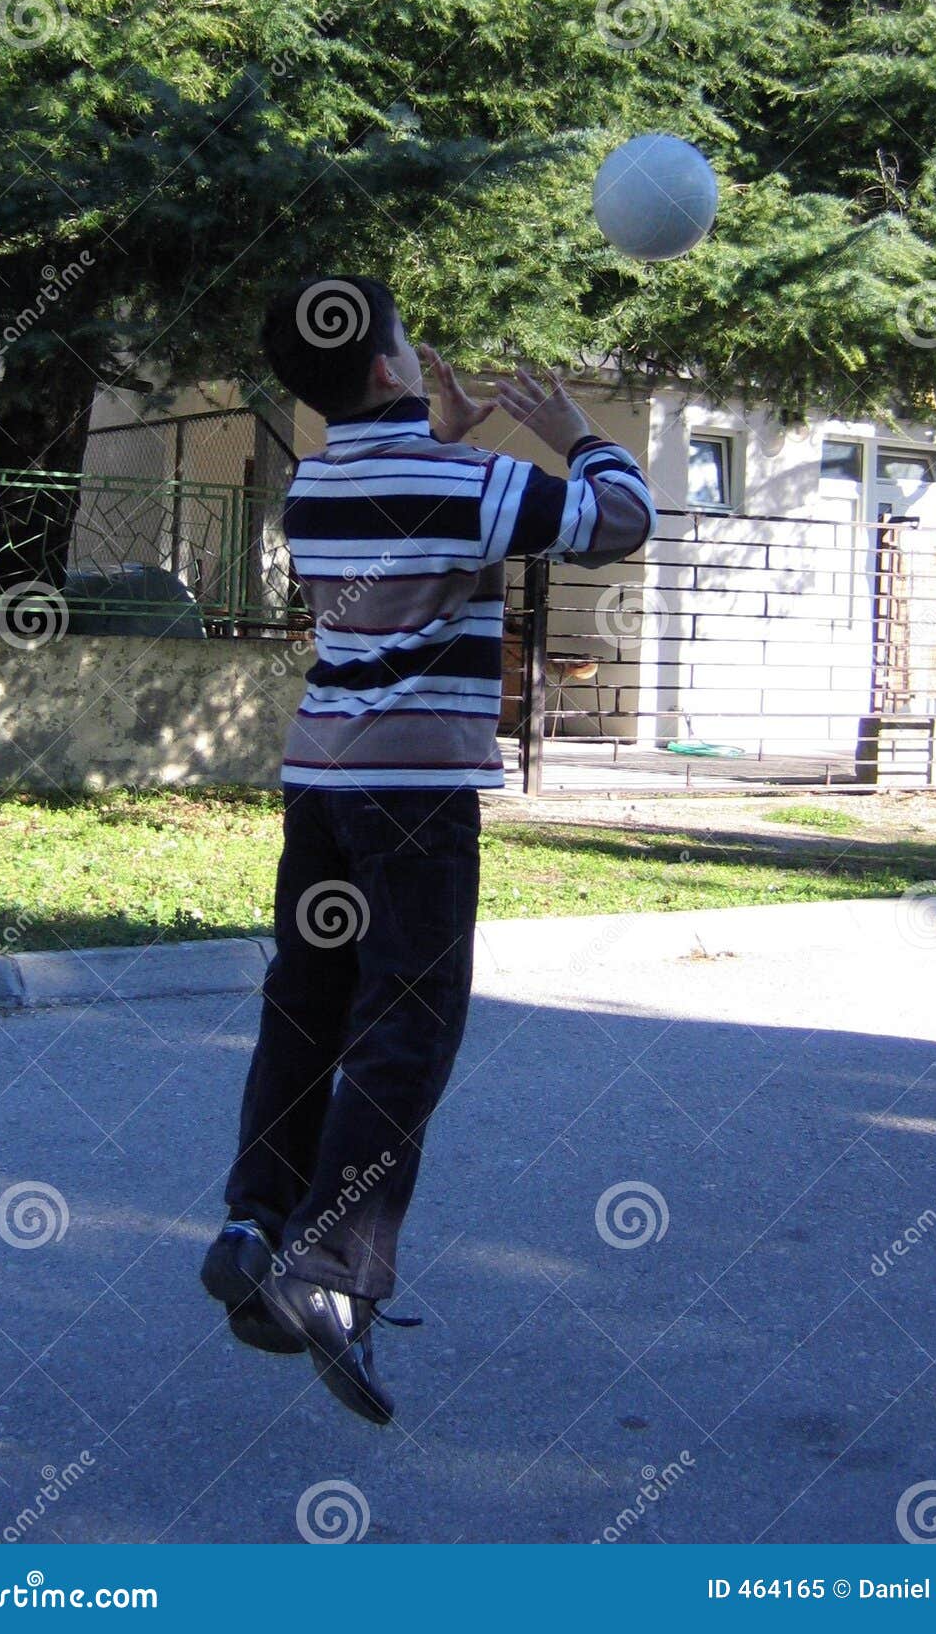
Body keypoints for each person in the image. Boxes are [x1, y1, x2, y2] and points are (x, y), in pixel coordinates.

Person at [201, 275, 655, 1424]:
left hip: (323, 783)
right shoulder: (468, 483)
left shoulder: (316, 484)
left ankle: (256, 1219)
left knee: (307, 1003)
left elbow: (406, 510)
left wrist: (440, 435)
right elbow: (620, 520)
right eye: (409, 342)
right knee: (407, 1022)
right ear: (388, 367)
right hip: (416, 795)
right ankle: (331, 1270)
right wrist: (577, 432)